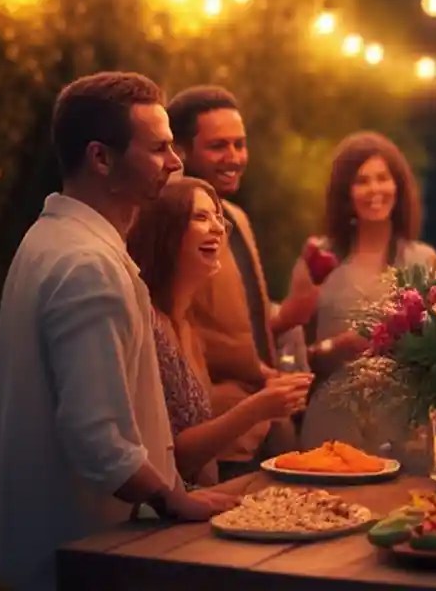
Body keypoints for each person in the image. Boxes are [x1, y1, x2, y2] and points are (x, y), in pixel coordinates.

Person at [0, 72, 236, 590]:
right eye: (158, 148)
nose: (176, 162)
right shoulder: (87, 265)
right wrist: (173, 499)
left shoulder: (52, 238)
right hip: (80, 556)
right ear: (101, 158)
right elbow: (97, 437)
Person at [166, 85, 315, 477]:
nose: (233, 157)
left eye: (239, 144)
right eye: (218, 146)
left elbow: (237, 326)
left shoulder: (237, 218)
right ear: (180, 151)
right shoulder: (167, 226)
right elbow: (176, 328)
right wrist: (261, 378)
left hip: (264, 417)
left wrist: (290, 316)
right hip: (215, 428)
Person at [127, 178, 314, 486]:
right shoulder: (150, 326)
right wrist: (257, 408)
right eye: (201, 217)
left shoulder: (188, 328)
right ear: (166, 234)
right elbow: (173, 456)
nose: (217, 228)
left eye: (218, 218)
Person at [293, 131, 436, 450]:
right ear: (345, 192)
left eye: (382, 178)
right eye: (362, 181)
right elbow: (292, 356)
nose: (375, 189)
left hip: (403, 426)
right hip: (331, 423)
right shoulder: (318, 259)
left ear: (398, 186)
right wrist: (334, 347)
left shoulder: (423, 260)